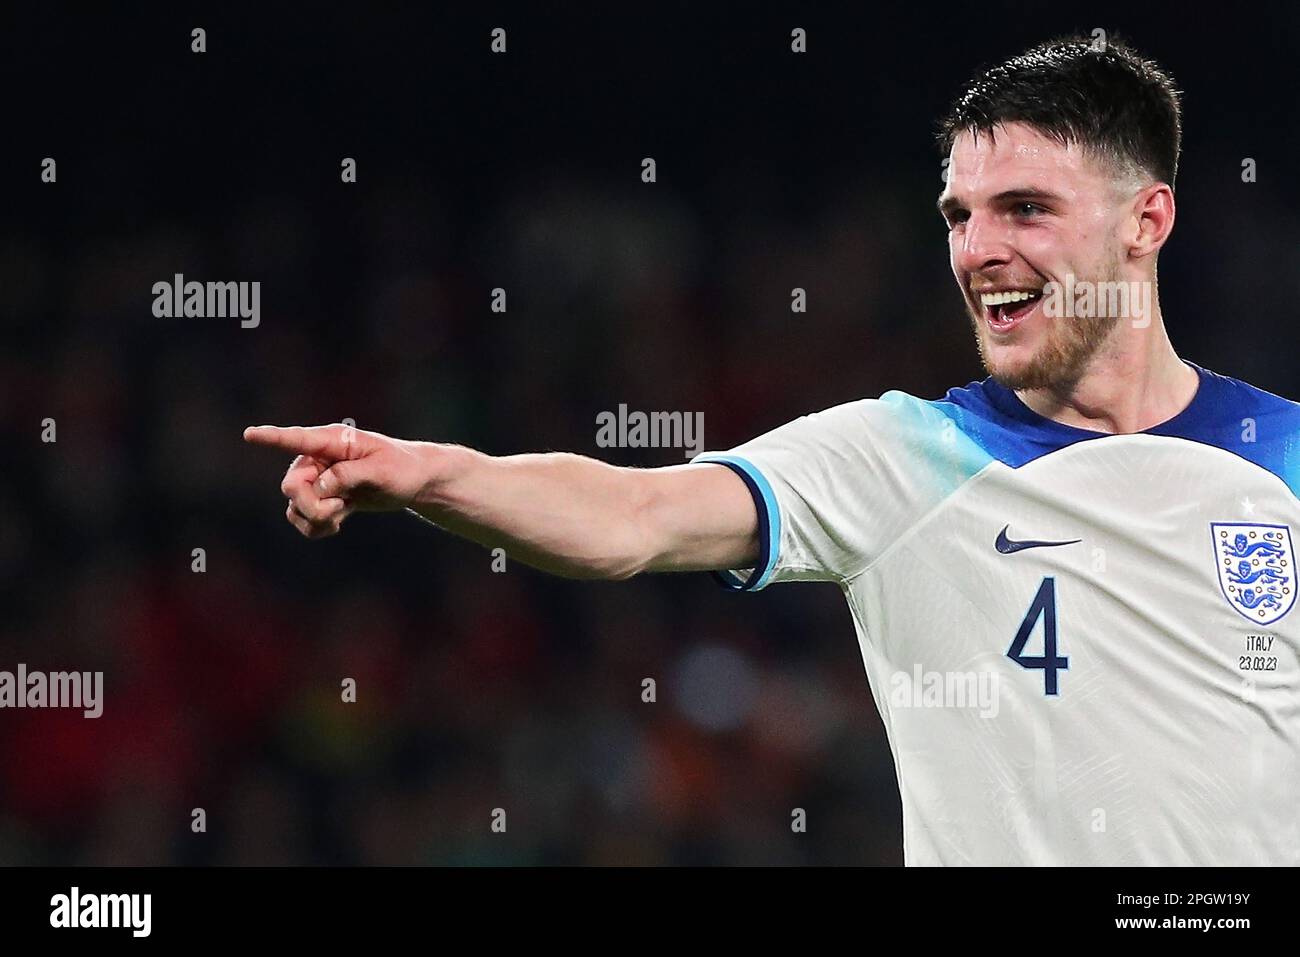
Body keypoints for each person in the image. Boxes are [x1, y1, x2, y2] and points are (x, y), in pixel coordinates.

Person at [245, 36, 1300, 865]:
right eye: (958, 214)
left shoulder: (1285, 458)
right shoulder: (903, 457)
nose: (979, 250)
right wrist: (438, 475)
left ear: (1144, 221)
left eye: (1024, 209)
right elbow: (632, 518)